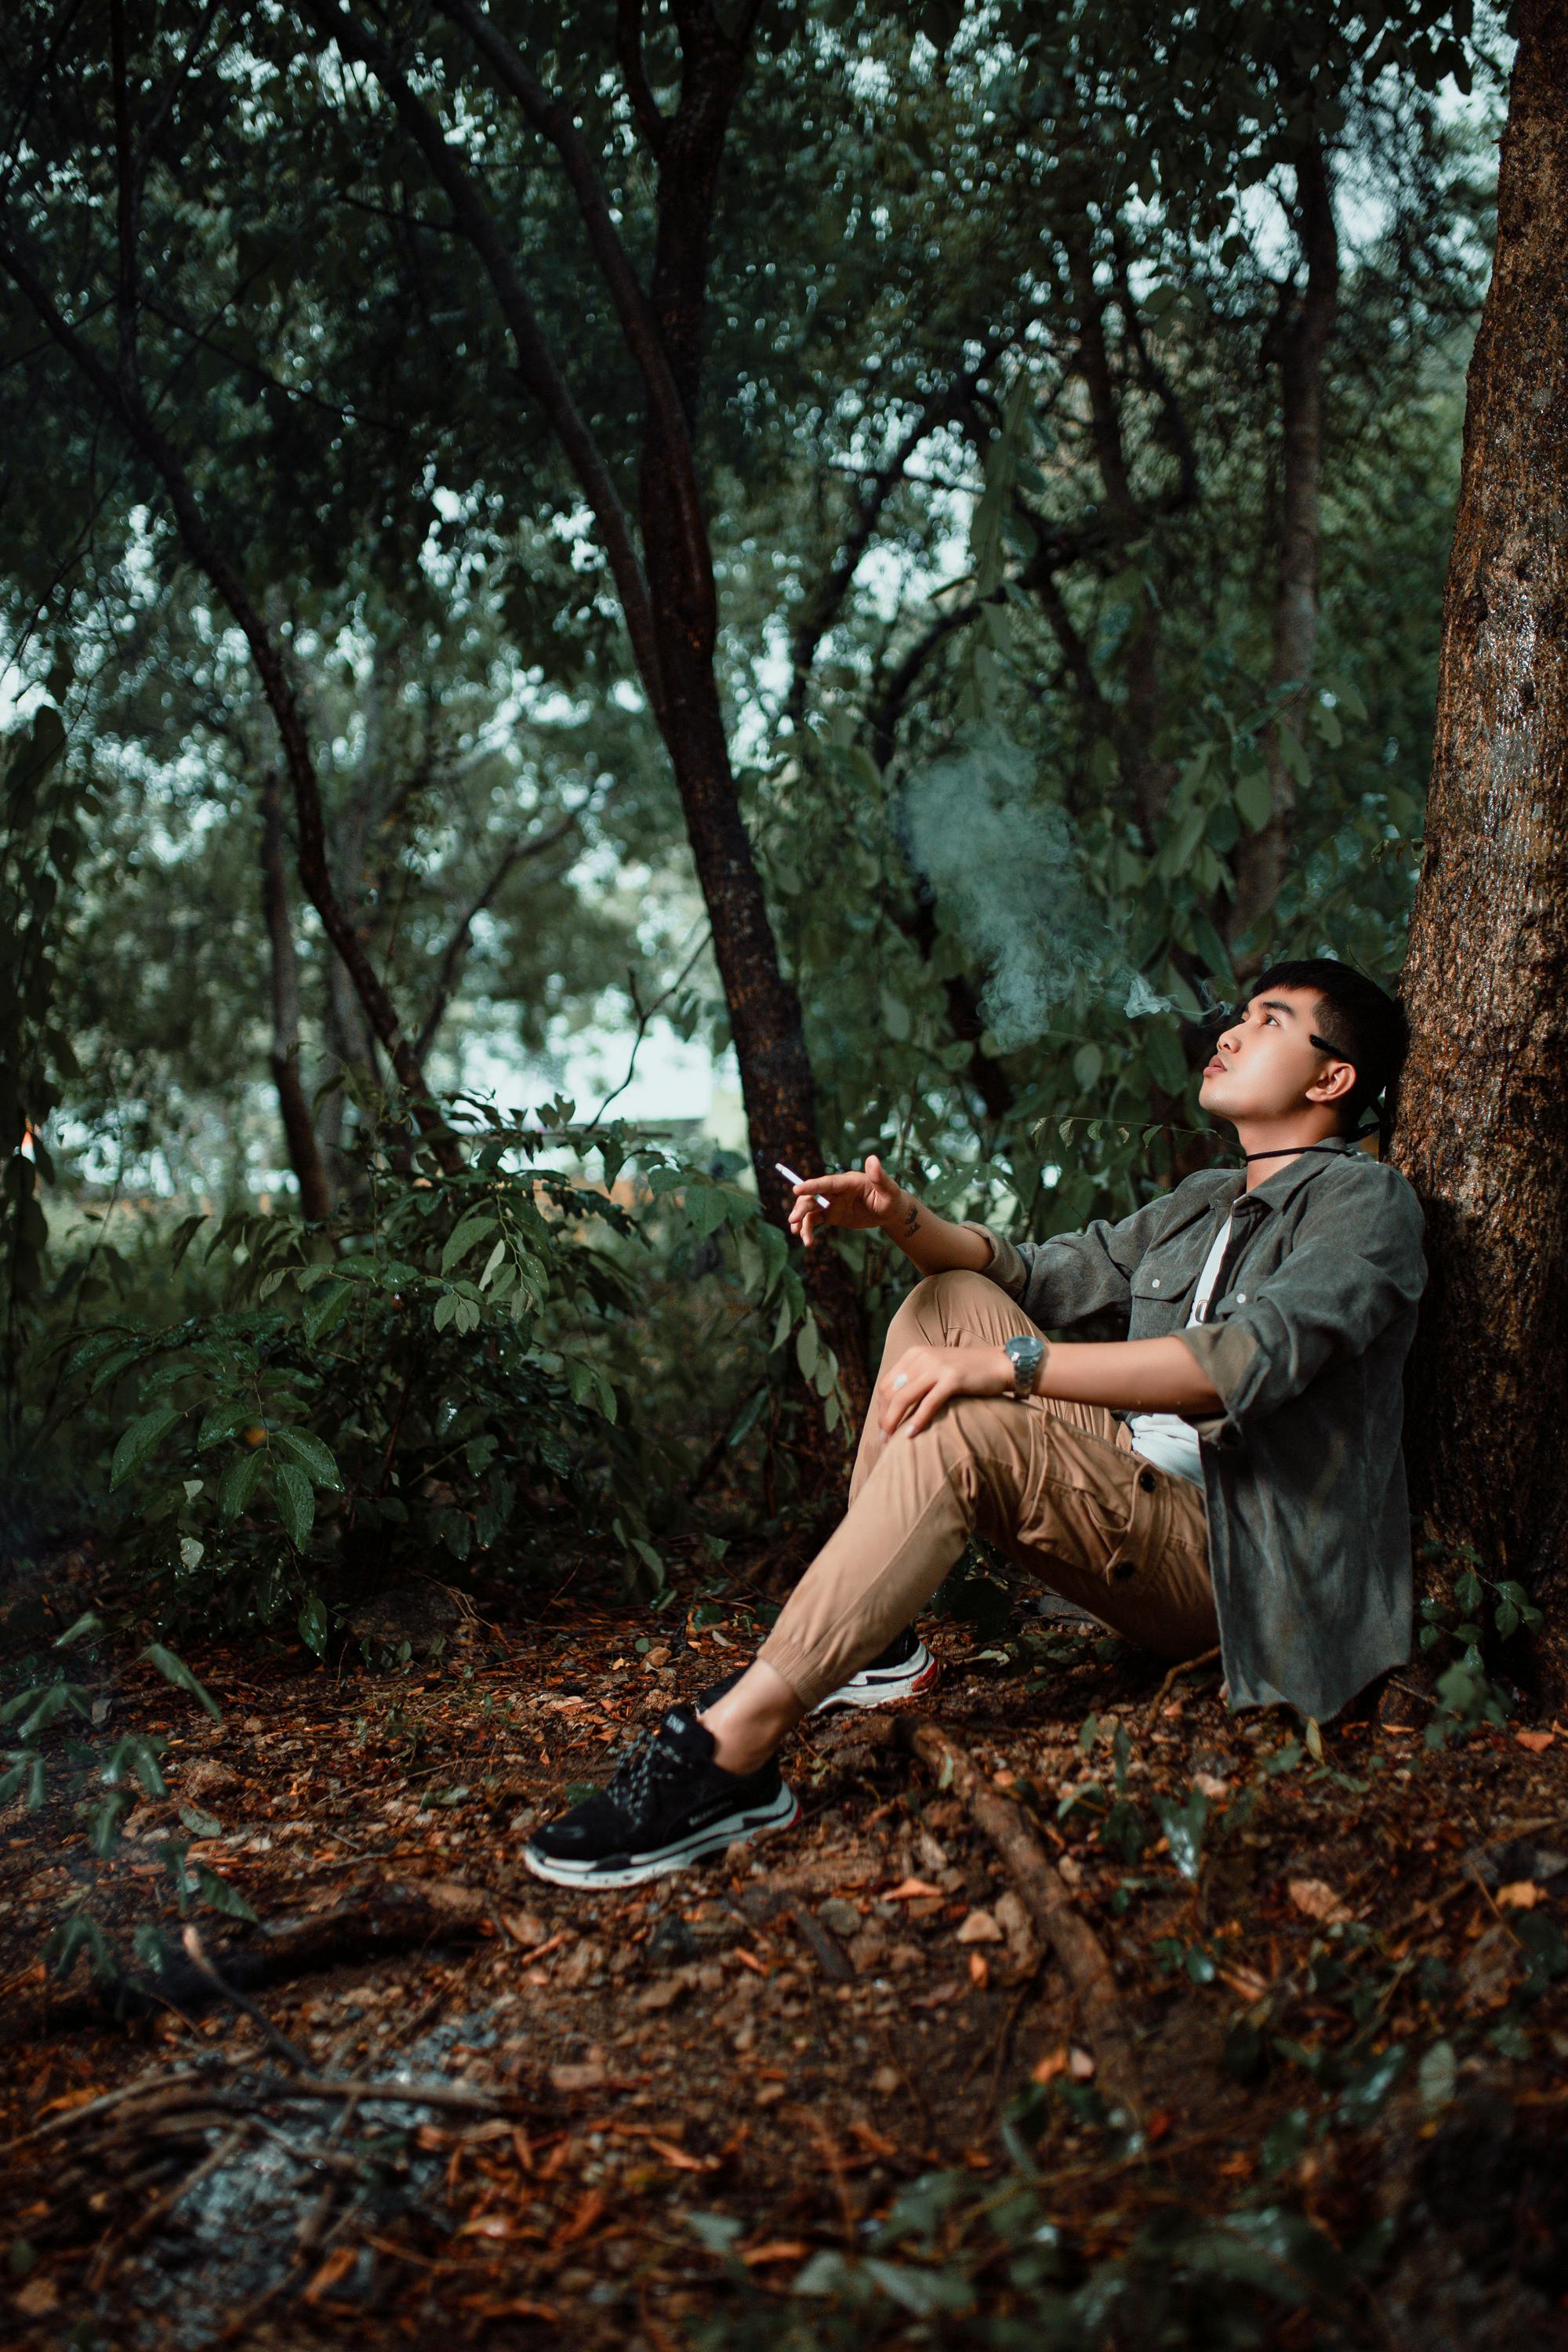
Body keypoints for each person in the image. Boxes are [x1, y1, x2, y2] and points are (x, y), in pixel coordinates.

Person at [524, 959, 1424, 1889]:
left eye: (1269, 1022)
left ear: (1330, 1079)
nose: (1229, 1033)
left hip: (1232, 1554)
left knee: (966, 1420)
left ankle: (731, 1755)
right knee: (946, 1298)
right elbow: (1033, 1275)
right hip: (1136, 1480)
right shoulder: (1201, 1202)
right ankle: (869, 1640)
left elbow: (1237, 1366)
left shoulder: (1364, 1204)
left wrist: (1014, 1367)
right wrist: (897, 1216)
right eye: (1238, 1014)